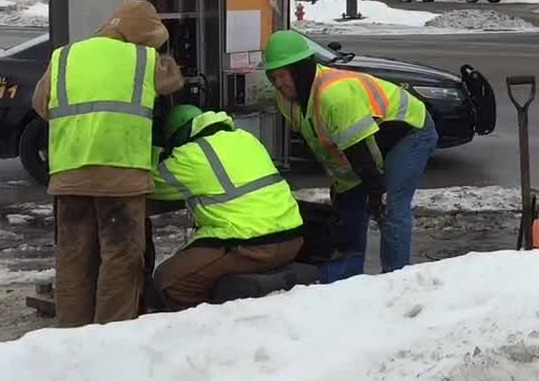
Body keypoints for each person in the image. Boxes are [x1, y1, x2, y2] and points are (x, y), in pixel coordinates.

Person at [32, 0, 184, 327]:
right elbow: (174, 82)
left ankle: (72, 335)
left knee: (73, 260)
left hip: (69, 176)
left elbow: (41, 105)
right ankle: (109, 336)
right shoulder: (143, 59)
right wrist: (164, 56)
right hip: (120, 176)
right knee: (120, 260)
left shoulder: (64, 56)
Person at [263, 30, 438, 273]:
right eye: (273, 77)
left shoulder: (335, 96)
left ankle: (396, 282)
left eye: (282, 75)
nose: (278, 84)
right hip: (371, 142)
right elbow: (324, 144)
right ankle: (350, 279)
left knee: (389, 209)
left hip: (410, 130)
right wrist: (342, 184)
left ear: (300, 70)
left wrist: (377, 190)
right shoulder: (286, 101)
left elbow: (361, 154)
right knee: (348, 210)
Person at [147, 104, 305, 311]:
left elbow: (146, 184)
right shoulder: (246, 138)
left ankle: (198, 327)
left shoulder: (190, 155)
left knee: (168, 281)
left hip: (251, 245)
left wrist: (156, 146)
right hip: (292, 239)